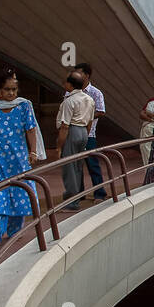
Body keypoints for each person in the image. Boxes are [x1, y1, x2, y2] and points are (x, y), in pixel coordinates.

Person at [0, 67, 43, 248]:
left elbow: (31, 129)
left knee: (18, 193)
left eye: (14, 89)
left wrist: (33, 151)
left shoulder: (24, 105)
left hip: (18, 160)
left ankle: (14, 231)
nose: (11, 93)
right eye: (7, 89)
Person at [56, 71, 95, 209]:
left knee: (69, 167)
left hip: (72, 131)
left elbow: (65, 126)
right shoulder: (89, 99)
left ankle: (71, 200)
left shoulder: (69, 101)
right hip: (84, 131)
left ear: (70, 85)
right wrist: (86, 135)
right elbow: (90, 121)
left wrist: (59, 146)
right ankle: (76, 197)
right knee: (78, 166)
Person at [77, 62, 107, 201]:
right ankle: (79, 194)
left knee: (92, 164)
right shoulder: (70, 92)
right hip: (74, 133)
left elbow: (101, 111)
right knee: (75, 165)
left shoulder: (95, 92)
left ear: (87, 75)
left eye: (79, 73)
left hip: (89, 134)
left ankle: (99, 193)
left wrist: (85, 117)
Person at [139, 92, 154, 165]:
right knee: (147, 151)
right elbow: (142, 114)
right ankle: (150, 169)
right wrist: (151, 119)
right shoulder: (152, 101)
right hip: (149, 128)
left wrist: (151, 115)